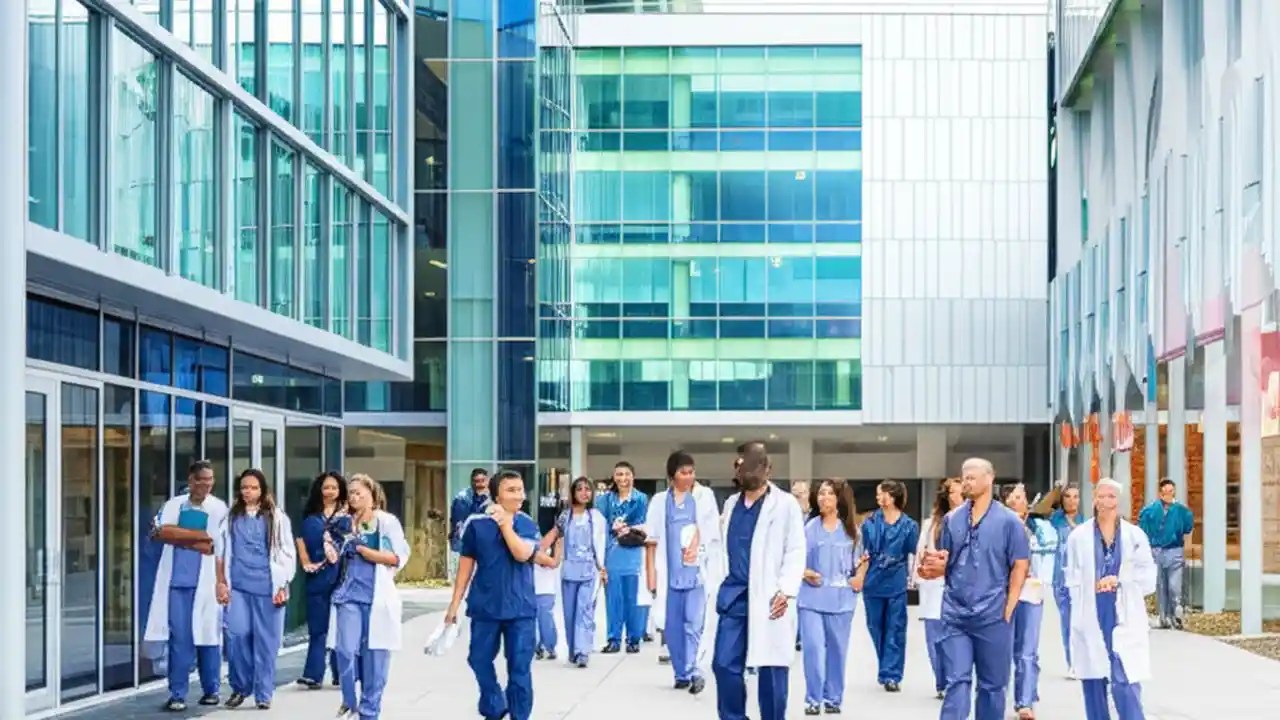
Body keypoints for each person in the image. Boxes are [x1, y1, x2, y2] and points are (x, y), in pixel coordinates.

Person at [917, 458, 1029, 720]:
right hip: (956, 615)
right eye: (964, 477)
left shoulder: (1009, 522)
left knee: (993, 686)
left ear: (989, 478)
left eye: (972, 477)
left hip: (993, 615)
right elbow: (946, 562)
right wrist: (930, 569)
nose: (966, 482)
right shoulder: (951, 520)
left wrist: (1009, 608)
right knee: (957, 681)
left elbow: (1020, 566)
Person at [447, 470, 552, 720]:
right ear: (496, 496)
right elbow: (465, 566)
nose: (519, 496)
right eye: (511, 490)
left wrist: (505, 524)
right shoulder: (476, 524)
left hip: (521, 608)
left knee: (519, 669)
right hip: (485, 606)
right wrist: (454, 604)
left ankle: (520, 715)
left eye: (520, 490)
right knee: (478, 659)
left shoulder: (526, 524)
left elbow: (522, 553)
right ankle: (495, 705)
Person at [711, 442, 805, 720]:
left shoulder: (785, 504)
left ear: (768, 470)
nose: (748, 472)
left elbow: (796, 549)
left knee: (772, 669)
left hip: (770, 596)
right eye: (743, 466)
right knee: (723, 664)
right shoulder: (731, 504)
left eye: (755, 466)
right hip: (734, 595)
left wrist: (786, 590)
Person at [1065, 477, 1157, 719]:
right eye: (1101, 496)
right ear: (1094, 499)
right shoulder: (1078, 537)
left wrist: (1121, 580)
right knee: (1093, 680)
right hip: (1091, 611)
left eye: (1112, 496)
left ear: (1119, 500)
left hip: (1124, 612)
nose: (1106, 501)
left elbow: (1148, 578)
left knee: (1125, 678)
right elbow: (1071, 580)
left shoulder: (1135, 536)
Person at [143, 460, 229, 712]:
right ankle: (177, 693)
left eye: (210, 479)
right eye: (202, 479)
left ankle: (211, 690)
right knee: (179, 638)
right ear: (191, 480)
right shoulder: (174, 504)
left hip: (207, 581)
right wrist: (198, 536)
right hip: (177, 583)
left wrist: (179, 535)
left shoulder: (219, 508)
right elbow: (160, 533)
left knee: (208, 636)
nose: (206, 484)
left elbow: (215, 545)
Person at [326, 474, 411, 720]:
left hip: (377, 596)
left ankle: (369, 711)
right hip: (348, 595)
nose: (353, 498)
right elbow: (331, 555)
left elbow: (397, 557)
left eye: (358, 493)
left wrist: (364, 550)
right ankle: (349, 700)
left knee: (375, 658)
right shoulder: (343, 522)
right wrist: (333, 543)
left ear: (372, 495)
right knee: (345, 650)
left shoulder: (387, 522)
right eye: (350, 493)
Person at [644, 451, 724, 695]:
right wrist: (650, 574)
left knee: (694, 623)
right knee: (673, 627)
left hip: (696, 574)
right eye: (683, 473)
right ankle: (680, 672)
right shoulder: (660, 501)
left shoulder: (703, 496)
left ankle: (694, 670)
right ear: (672, 476)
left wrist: (697, 543)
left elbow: (711, 529)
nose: (689, 477)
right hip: (670, 576)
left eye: (691, 472)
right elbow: (652, 539)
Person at [219, 469, 297, 710]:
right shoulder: (230, 517)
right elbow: (220, 552)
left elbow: (287, 553)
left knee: (266, 642)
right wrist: (221, 582)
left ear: (262, 490)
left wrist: (283, 584)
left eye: (253, 487)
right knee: (237, 635)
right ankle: (240, 687)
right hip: (239, 586)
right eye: (244, 487)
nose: (248, 492)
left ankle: (263, 693)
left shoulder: (276, 517)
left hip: (268, 587)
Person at [798, 478, 861, 715]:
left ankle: (833, 698)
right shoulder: (809, 529)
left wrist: (859, 578)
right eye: (821, 493)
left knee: (837, 651)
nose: (824, 498)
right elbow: (796, 560)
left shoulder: (851, 531)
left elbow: (861, 561)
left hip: (841, 601)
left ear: (839, 499)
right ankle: (813, 698)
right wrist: (806, 572)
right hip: (811, 600)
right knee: (813, 649)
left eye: (829, 493)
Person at [852, 479, 919, 692]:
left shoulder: (909, 526)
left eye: (882, 493)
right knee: (875, 627)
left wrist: (915, 579)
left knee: (895, 628)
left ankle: (891, 674)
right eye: (878, 493)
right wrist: (860, 575)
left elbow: (914, 554)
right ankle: (886, 666)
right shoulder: (870, 523)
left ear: (893, 496)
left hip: (896, 582)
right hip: (873, 582)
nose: (879, 497)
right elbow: (863, 553)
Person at [1001, 483, 1057, 720]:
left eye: (1022, 496)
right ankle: (1006, 695)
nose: (1019, 501)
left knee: (1027, 650)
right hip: (1004, 595)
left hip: (1031, 593)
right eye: (1014, 497)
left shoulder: (1040, 527)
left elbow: (1049, 555)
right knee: (1005, 649)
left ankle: (1025, 701)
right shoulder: (999, 526)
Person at [541, 477, 607, 667]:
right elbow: (554, 535)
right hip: (568, 572)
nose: (584, 492)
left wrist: (602, 568)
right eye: (580, 489)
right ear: (573, 493)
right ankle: (573, 650)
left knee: (584, 611)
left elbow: (601, 544)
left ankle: (582, 651)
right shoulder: (565, 516)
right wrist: (536, 551)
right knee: (569, 613)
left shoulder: (596, 517)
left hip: (590, 571)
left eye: (588, 489)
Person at [296, 471, 352, 688]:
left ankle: (341, 673)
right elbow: (300, 540)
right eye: (326, 487)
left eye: (334, 488)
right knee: (317, 629)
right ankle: (313, 674)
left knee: (340, 628)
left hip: (341, 577)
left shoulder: (347, 516)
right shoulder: (311, 516)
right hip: (317, 577)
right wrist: (305, 561)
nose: (330, 491)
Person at [916, 477, 964, 699]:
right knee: (935, 638)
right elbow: (921, 553)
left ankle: (956, 679)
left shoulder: (973, 523)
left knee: (955, 637)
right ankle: (941, 681)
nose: (957, 497)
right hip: (934, 586)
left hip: (960, 588)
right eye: (952, 492)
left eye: (961, 492)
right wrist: (919, 576)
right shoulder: (932, 524)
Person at [597, 461, 650, 654]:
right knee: (613, 599)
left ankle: (633, 639)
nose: (623, 478)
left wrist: (625, 528)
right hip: (611, 554)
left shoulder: (641, 499)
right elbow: (600, 529)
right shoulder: (604, 500)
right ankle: (613, 639)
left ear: (633, 476)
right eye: (619, 474)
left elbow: (643, 524)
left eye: (626, 474)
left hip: (633, 553)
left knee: (632, 598)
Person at [1039, 482, 1085, 675]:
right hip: (1060, 579)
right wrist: (1055, 492)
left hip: (1080, 580)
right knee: (1067, 621)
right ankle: (1072, 662)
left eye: (1075, 496)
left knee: (1080, 622)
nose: (1072, 501)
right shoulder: (1055, 520)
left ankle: (1082, 659)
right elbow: (1038, 511)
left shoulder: (1085, 523)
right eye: (1067, 496)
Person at [1137, 478, 1194, 629]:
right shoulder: (1149, 511)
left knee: (1174, 585)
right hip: (1156, 550)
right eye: (1165, 492)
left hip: (1175, 550)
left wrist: (1185, 546)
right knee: (1160, 585)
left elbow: (1188, 528)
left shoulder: (1182, 511)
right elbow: (1142, 529)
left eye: (1171, 491)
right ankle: (1164, 617)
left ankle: (1176, 611)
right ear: (1160, 493)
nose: (1168, 494)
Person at [534, 530, 561, 661]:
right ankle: (537, 647)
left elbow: (554, 563)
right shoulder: (529, 543)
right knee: (533, 621)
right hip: (531, 587)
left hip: (546, 589)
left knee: (546, 620)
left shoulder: (555, 544)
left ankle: (550, 647)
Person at [450, 468, 491, 552]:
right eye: (477, 481)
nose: (480, 484)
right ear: (472, 482)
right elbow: (459, 525)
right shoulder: (462, 499)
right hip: (464, 545)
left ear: (488, 481)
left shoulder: (492, 497)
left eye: (483, 480)